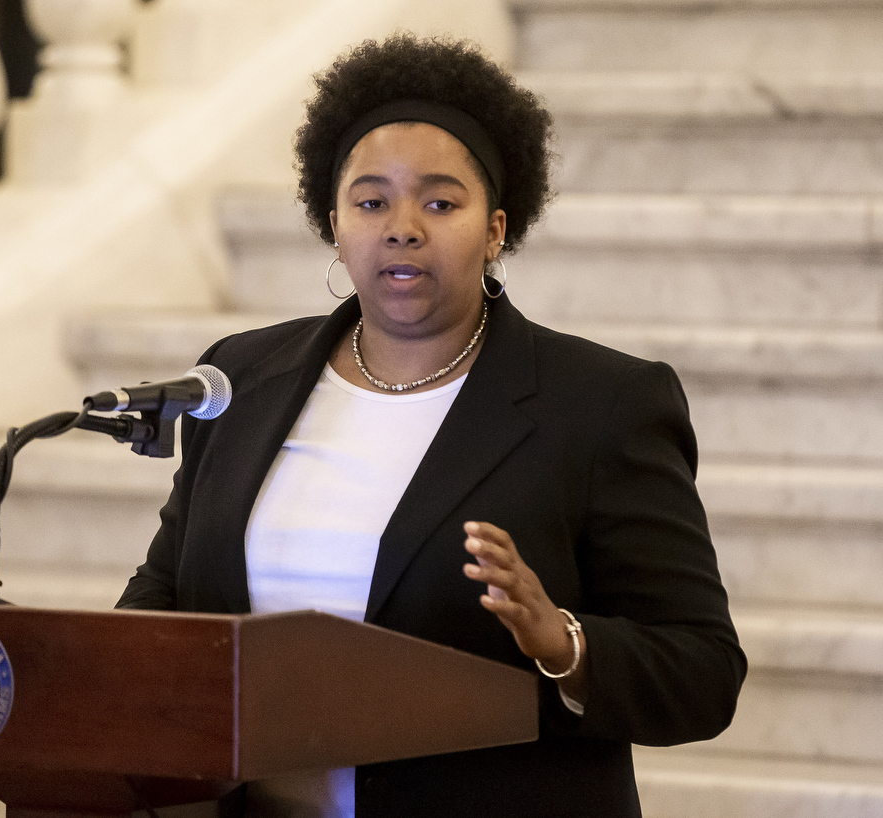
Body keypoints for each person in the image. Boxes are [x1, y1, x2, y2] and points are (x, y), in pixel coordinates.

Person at [117, 34, 747, 818]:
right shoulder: (240, 379)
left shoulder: (601, 404)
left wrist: (565, 644)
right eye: (371, 200)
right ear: (334, 224)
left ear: (495, 230)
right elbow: (165, 595)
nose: (402, 226)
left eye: (441, 202)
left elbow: (703, 671)